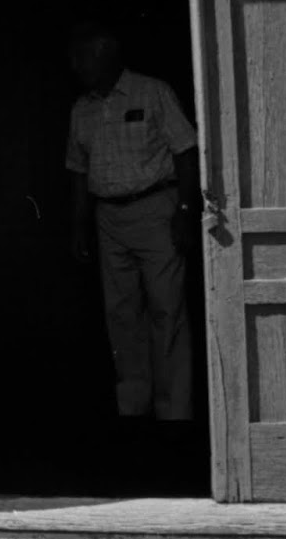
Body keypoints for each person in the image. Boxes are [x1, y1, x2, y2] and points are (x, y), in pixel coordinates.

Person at [65, 22, 201, 422]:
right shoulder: (82, 109)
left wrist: (185, 212)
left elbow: (186, 151)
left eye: (83, 57)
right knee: (122, 315)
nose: (76, 66)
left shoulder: (152, 92)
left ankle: (174, 412)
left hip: (156, 209)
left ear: (106, 54)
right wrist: (79, 225)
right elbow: (77, 170)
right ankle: (133, 409)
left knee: (166, 309)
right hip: (109, 218)